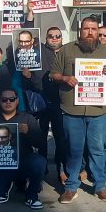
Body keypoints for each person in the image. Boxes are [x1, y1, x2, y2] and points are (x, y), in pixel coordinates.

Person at [50, 16, 106, 204]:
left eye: (93, 29)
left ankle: (100, 186)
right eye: (86, 29)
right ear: (80, 30)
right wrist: (65, 78)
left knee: (97, 149)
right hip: (71, 110)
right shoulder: (67, 49)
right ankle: (71, 186)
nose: (90, 32)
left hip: (98, 110)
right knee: (74, 149)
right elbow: (53, 74)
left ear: (98, 31)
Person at [0, 87, 48, 209]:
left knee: (39, 162)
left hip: (23, 163)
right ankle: (6, 185)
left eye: (11, 99)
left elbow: (41, 143)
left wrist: (29, 132)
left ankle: (32, 195)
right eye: (4, 99)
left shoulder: (27, 118)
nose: (8, 102)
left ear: (17, 101)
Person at [38, 27, 68, 181]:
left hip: (60, 103)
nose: (54, 38)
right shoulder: (40, 51)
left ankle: (61, 170)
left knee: (61, 139)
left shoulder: (67, 52)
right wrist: (30, 13)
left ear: (62, 38)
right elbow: (26, 34)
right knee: (40, 138)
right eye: (51, 36)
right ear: (46, 38)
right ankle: (41, 169)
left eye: (58, 36)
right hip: (41, 101)